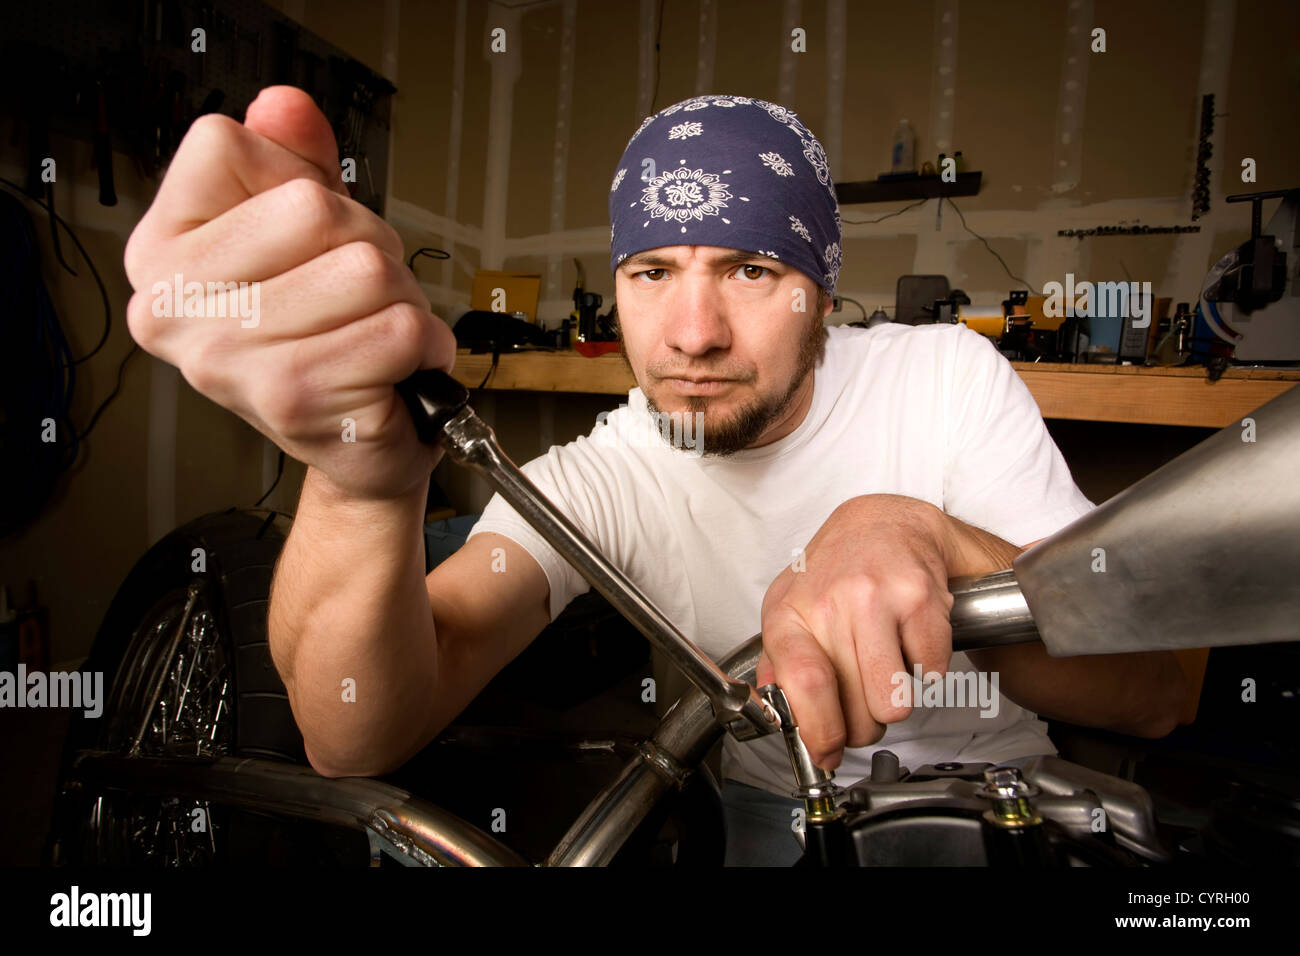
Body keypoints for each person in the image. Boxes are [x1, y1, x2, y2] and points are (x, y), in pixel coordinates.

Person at [124, 87, 1186, 866]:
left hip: (1006, 811)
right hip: (772, 824)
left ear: (819, 289)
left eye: (750, 271)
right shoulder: (617, 467)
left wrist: (922, 533)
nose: (691, 334)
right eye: (651, 273)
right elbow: (355, 726)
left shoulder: (943, 376)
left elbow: (1158, 690)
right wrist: (361, 477)